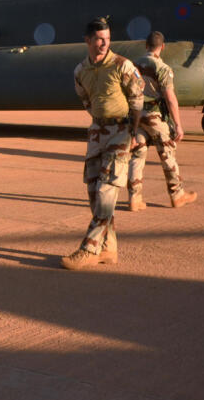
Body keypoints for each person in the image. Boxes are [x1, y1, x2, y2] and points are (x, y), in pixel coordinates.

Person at [61, 17, 144, 271]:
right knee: (93, 191)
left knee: (107, 191)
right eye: (99, 39)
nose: (104, 43)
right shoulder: (80, 71)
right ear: (87, 41)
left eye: (107, 38)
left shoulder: (122, 65)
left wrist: (132, 132)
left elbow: (137, 100)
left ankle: (89, 248)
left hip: (120, 131)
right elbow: (85, 100)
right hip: (97, 131)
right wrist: (100, 121)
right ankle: (108, 249)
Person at [128, 31, 198, 211]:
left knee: (137, 155)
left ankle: (134, 198)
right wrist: (178, 125)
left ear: (146, 46)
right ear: (162, 47)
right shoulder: (163, 68)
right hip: (155, 117)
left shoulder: (133, 66)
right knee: (167, 154)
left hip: (137, 116)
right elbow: (170, 99)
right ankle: (177, 195)